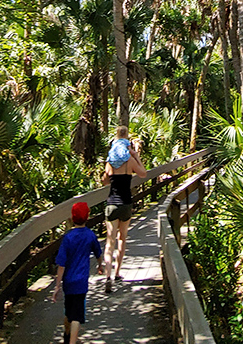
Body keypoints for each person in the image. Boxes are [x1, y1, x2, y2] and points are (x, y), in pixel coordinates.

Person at [101, 130, 147, 292]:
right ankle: (117, 273)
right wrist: (136, 156)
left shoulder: (110, 162)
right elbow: (143, 174)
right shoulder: (129, 161)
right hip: (126, 203)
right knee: (122, 238)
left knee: (109, 241)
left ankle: (107, 276)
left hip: (112, 203)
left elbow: (105, 181)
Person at [52, 200, 103, 344]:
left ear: (72, 218)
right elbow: (98, 253)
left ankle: (67, 335)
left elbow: (61, 264)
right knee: (77, 317)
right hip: (81, 282)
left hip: (68, 281)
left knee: (69, 312)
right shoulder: (90, 235)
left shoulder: (68, 238)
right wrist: (100, 266)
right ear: (87, 217)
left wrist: (57, 286)